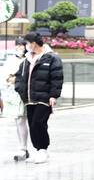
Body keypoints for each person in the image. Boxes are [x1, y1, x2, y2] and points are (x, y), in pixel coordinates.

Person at [15, 33, 63, 165]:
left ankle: (43, 149)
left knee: (39, 123)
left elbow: (57, 77)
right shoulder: (26, 59)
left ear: (33, 43)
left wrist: (53, 95)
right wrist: (20, 90)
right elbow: (19, 77)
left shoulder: (52, 58)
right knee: (32, 124)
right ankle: (38, 150)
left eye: (27, 43)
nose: (25, 46)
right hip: (29, 98)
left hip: (44, 98)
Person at [4, 43, 27, 161]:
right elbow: (6, 77)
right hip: (14, 94)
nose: (20, 48)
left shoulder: (29, 59)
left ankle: (36, 148)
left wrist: (16, 79)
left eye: (22, 45)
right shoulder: (11, 60)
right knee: (19, 120)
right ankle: (22, 147)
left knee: (27, 121)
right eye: (18, 46)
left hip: (27, 93)